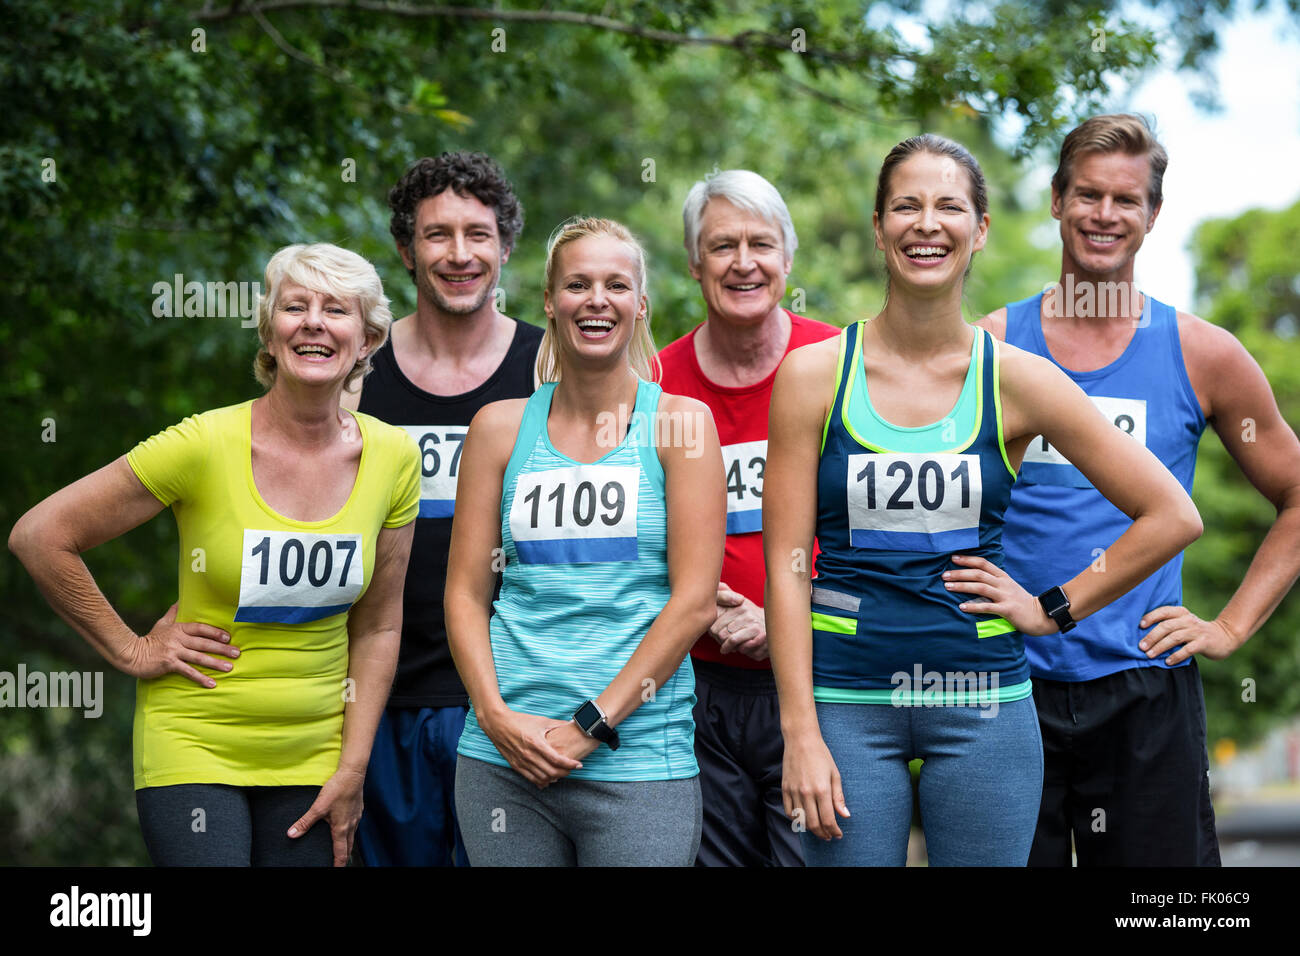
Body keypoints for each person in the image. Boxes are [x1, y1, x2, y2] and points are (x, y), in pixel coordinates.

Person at [764, 134, 1203, 866]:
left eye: (949, 207)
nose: (926, 224)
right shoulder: (812, 375)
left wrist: (1049, 608)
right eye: (906, 206)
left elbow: (1172, 515)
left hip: (983, 706)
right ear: (878, 227)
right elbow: (786, 564)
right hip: (844, 704)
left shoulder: (1018, 379)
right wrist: (798, 731)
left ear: (981, 229)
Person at [9, 243, 419, 866]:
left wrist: (353, 768)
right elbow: (40, 535)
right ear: (270, 332)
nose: (313, 322)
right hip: (194, 741)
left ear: (366, 340)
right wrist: (131, 647)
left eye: (336, 309)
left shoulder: (394, 458)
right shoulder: (203, 443)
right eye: (294, 306)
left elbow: (381, 625)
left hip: (314, 753)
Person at [977, 113, 1300, 866]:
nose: (1104, 215)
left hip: (1145, 688)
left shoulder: (1204, 355)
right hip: (1007, 686)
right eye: (1087, 194)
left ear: (1153, 215)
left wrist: (1229, 628)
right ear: (1056, 200)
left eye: (1125, 200)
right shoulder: (990, 346)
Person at [446, 217, 724, 866]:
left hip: (637, 760)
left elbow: (693, 603)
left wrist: (589, 727)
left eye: (615, 284)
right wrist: (493, 717)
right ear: (549, 301)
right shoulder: (498, 429)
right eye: (577, 284)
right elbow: (463, 592)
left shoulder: (680, 426)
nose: (596, 299)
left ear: (640, 304)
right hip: (502, 761)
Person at [341, 152, 544, 866]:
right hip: (376, 702)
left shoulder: (551, 367)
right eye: (437, 235)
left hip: (516, 704)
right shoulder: (355, 376)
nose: (460, 254)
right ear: (405, 249)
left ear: (505, 246)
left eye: (478, 234)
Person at [657, 169, 838, 866]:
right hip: (692, 689)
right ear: (695, 263)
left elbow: (877, 535)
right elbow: (636, 539)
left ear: (787, 259)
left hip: (822, 676)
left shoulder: (841, 363)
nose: (743, 262)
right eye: (721, 245)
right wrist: (689, 606)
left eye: (760, 243)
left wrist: (790, 617)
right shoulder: (655, 385)